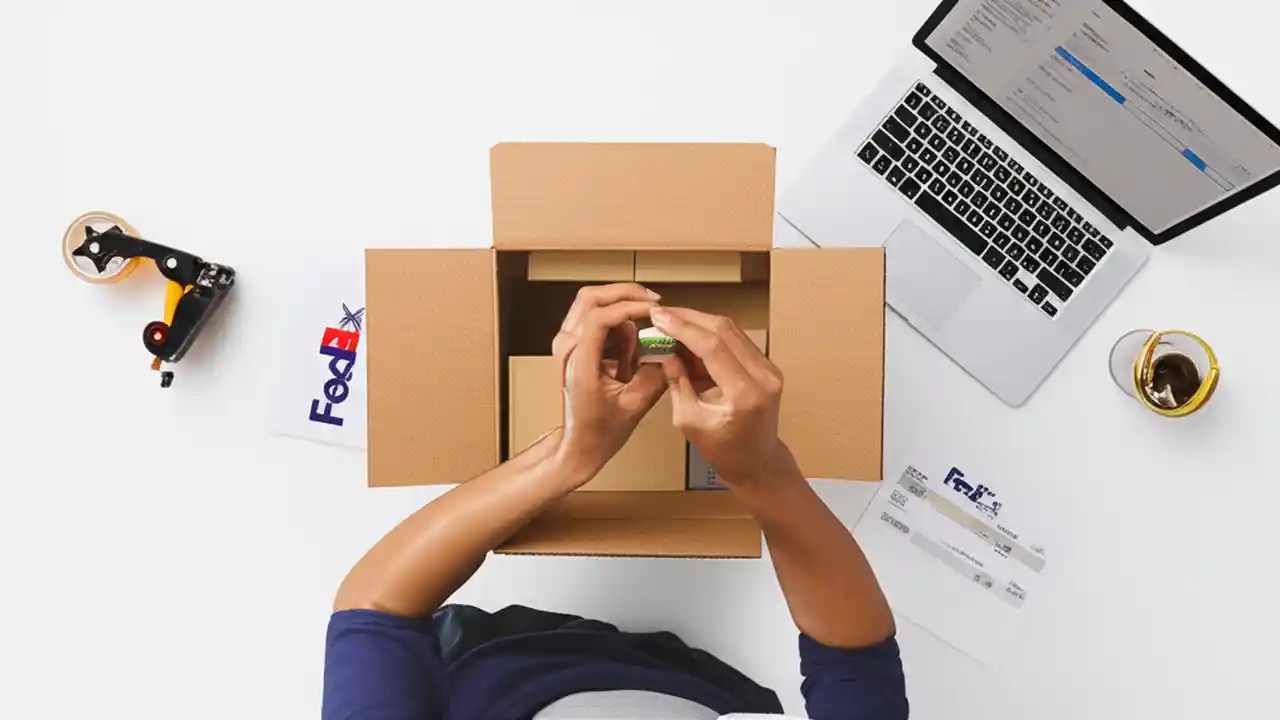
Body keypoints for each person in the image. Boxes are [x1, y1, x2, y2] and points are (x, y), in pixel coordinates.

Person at [322, 284, 907, 719]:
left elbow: (374, 610)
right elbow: (858, 661)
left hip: (502, 666)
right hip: (705, 685)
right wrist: (762, 473)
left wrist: (572, 455)